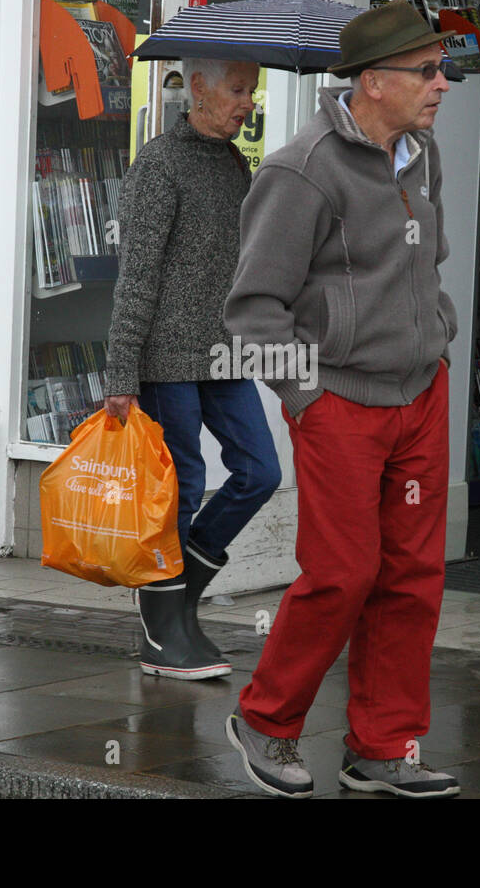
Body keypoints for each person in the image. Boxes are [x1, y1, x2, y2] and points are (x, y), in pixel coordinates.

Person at [222, 1, 461, 799]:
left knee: (413, 575)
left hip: (421, 392)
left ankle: (383, 747)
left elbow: (430, 263)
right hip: (341, 405)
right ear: (372, 82)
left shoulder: (422, 156)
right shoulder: (302, 169)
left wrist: (438, 341)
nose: (443, 85)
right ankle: (266, 719)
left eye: (441, 67)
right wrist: (307, 397)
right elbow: (253, 309)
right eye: (426, 71)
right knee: (344, 573)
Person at [103, 57, 281, 681]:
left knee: (261, 470)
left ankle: (183, 601)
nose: (247, 103)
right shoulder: (159, 164)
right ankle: (160, 633)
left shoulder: (234, 163)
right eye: (237, 90)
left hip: (225, 353)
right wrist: (122, 374)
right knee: (176, 491)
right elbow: (137, 277)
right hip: (166, 358)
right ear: (197, 88)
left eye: (251, 91)